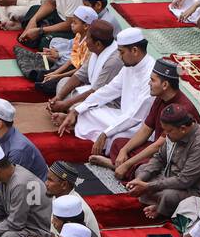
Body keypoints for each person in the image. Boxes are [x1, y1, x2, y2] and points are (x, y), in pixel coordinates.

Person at [64, 27, 155, 161]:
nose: (119, 56)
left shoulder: (151, 75)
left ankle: (105, 145)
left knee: (117, 138)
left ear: (134, 51)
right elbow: (108, 90)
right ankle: (80, 124)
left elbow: (135, 117)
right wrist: (76, 111)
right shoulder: (129, 66)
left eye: (121, 52)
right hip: (122, 116)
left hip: (138, 128)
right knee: (87, 111)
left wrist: (106, 134)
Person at [129, 105, 200, 220]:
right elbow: (159, 158)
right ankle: (159, 204)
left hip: (194, 189)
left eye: (169, 131)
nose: (166, 134)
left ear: (183, 128)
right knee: (141, 170)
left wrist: (148, 186)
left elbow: (184, 181)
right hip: (173, 177)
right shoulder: (174, 134)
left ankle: (162, 208)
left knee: (168, 196)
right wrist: (140, 179)